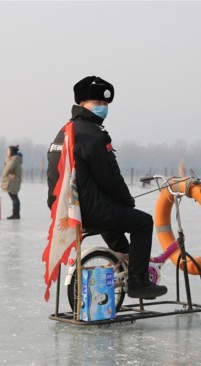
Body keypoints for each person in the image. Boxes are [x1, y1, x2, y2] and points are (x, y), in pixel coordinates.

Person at [46, 76, 167, 300]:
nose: (102, 108)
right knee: (143, 222)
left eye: (105, 105)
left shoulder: (64, 131)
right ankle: (138, 282)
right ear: (82, 103)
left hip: (67, 210)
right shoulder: (92, 135)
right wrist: (128, 201)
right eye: (97, 103)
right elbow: (110, 177)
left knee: (111, 217)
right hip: (89, 209)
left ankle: (126, 257)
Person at [1, 145, 23, 219]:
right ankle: (16, 213)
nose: (7, 153)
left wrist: (11, 173)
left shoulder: (14, 159)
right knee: (14, 197)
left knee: (14, 196)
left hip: (12, 182)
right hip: (13, 181)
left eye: (8, 151)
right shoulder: (13, 159)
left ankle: (16, 214)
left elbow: (11, 168)